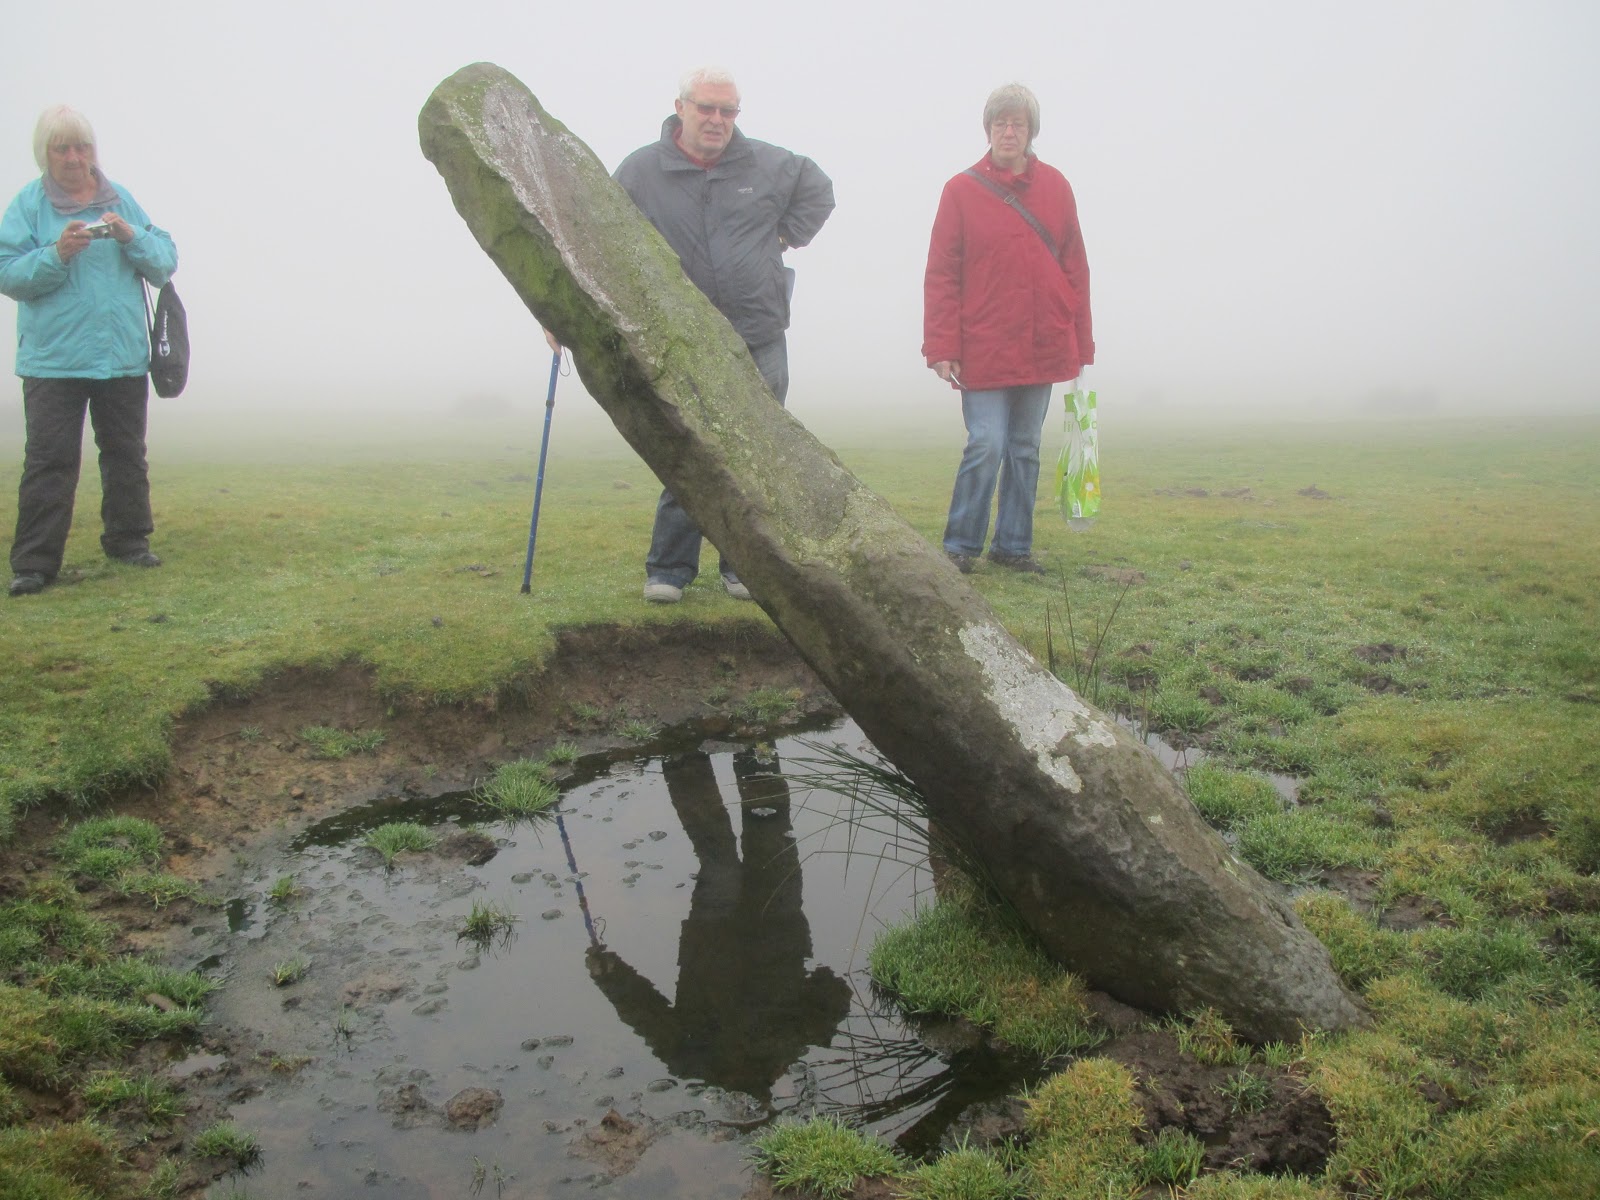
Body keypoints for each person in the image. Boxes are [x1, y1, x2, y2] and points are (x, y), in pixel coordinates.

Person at [612, 67, 834, 604]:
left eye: (728, 111)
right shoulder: (641, 171)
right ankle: (669, 567)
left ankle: (743, 567)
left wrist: (785, 235)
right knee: (687, 451)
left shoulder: (769, 163)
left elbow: (819, 192)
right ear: (681, 107)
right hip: (681, 341)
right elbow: (608, 240)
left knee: (757, 454)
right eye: (706, 108)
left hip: (759, 331)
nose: (717, 120)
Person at [1, 106, 178, 597]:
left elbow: (164, 262)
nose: (75, 157)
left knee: (125, 454)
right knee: (48, 462)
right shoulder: (27, 207)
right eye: (63, 148)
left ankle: (129, 541)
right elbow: (7, 274)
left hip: (121, 357)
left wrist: (131, 235)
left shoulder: (120, 199)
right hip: (52, 363)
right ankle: (34, 564)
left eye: (83, 147)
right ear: (45, 154)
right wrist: (55, 254)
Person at [923, 84, 1093, 576]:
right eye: (1000, 123)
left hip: (1044, 342)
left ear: (1031, 131)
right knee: (987, 443)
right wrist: (941, 347)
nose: (1009, 131)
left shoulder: (1057, 187)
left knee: (1025, 447)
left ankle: (1014, 546)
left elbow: (1075, 266)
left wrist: (1082, 341)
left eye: (1018, 123)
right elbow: (942, 271)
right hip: (984, 345)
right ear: (988, 129)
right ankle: (960, 544)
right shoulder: (960, 190)